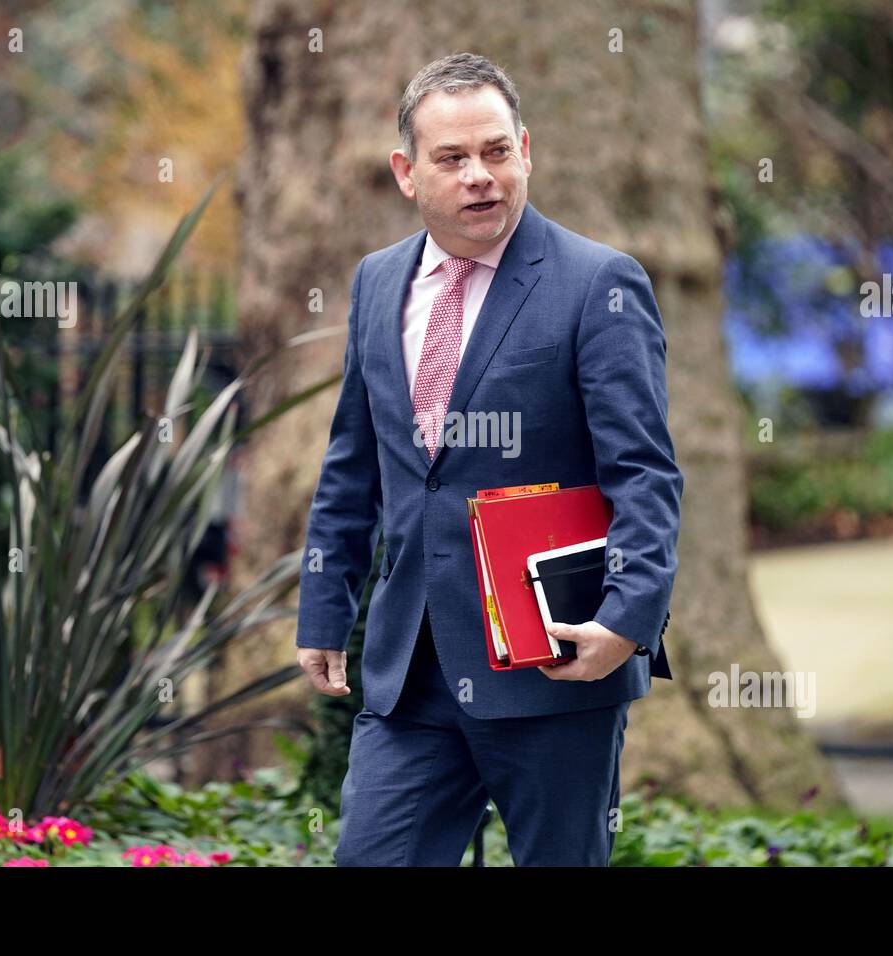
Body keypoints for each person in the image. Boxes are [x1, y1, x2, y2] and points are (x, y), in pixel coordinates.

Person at [295, 52, 683, 866]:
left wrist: (628, 618)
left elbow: (644, 473)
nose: (481, 176)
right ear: (407, 172)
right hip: (411, 670)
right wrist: (324, 608)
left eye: (497, 152)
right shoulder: (376, 283)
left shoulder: (598, 284)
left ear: (526, 150)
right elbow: (352, 465)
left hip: (553, 659)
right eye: (453, 159)